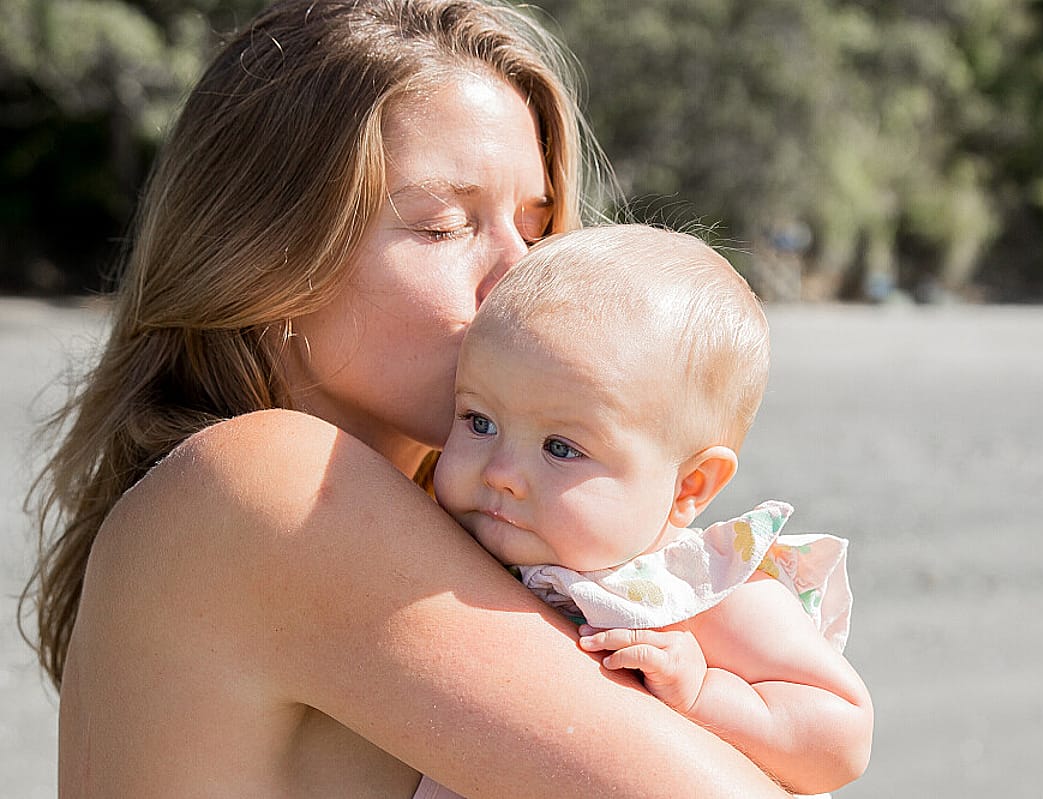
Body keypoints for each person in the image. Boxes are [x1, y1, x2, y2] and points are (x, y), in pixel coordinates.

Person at [18, 1, 798, 796]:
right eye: (443, 226)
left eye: (536, 229)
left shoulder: (234, 503)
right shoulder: (268, 484)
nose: (520, 278)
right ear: (259, 252)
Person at [433, 224, 874, 795]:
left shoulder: (698, 591)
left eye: (561, 449)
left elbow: (842, 735)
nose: (500, 474)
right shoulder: (448, 538)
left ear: (689, 486)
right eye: (479, 421)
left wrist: (703, 692)